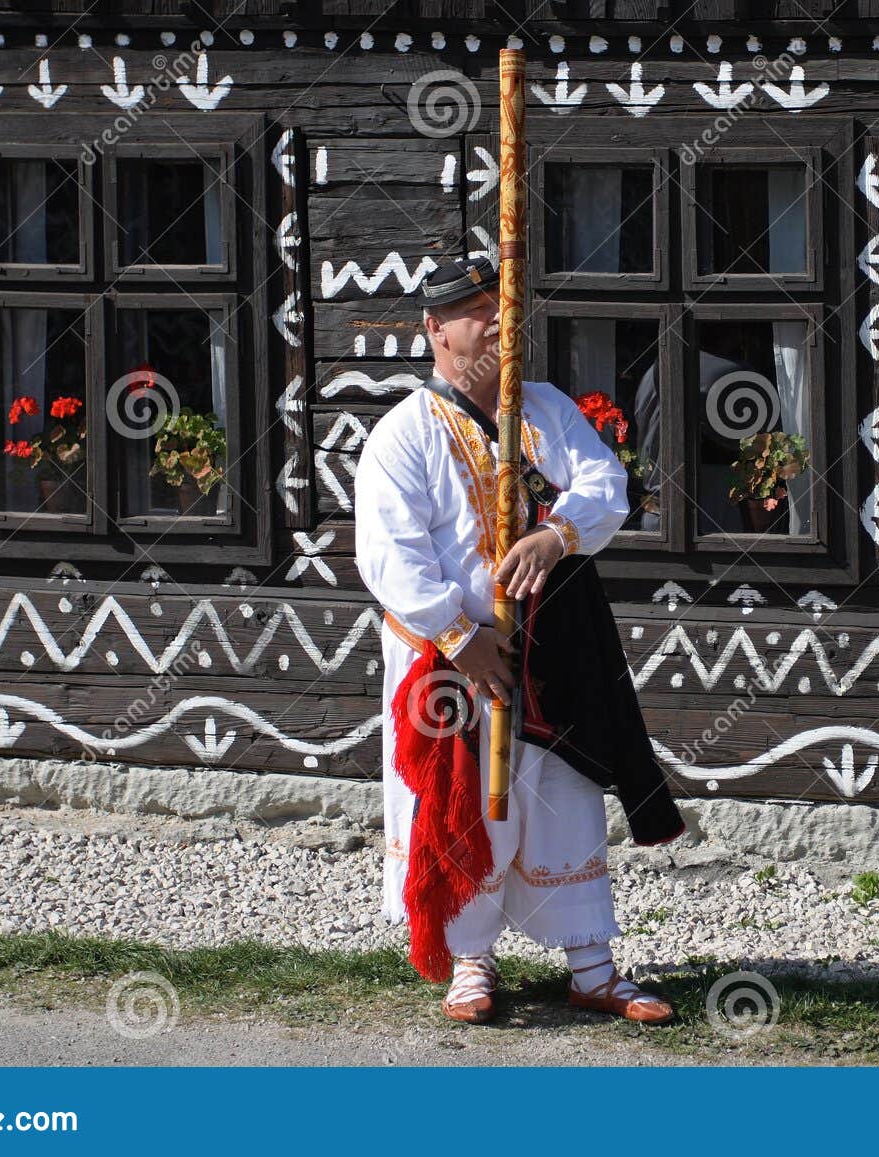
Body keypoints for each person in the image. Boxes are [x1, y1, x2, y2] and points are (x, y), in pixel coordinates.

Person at [353, 256, 684, 1026]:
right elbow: (389, 554)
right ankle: (471, 962)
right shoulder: (403, 435)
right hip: (452, 664)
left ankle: (592, 967)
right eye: (475, 310)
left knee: (564, 796)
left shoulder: (541, 409)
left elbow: (606, 485)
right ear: (434, 330)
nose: (498, 322)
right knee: (471, 806)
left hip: (550, 654)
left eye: (502, 306)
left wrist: (556, 535)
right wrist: (461, 635)